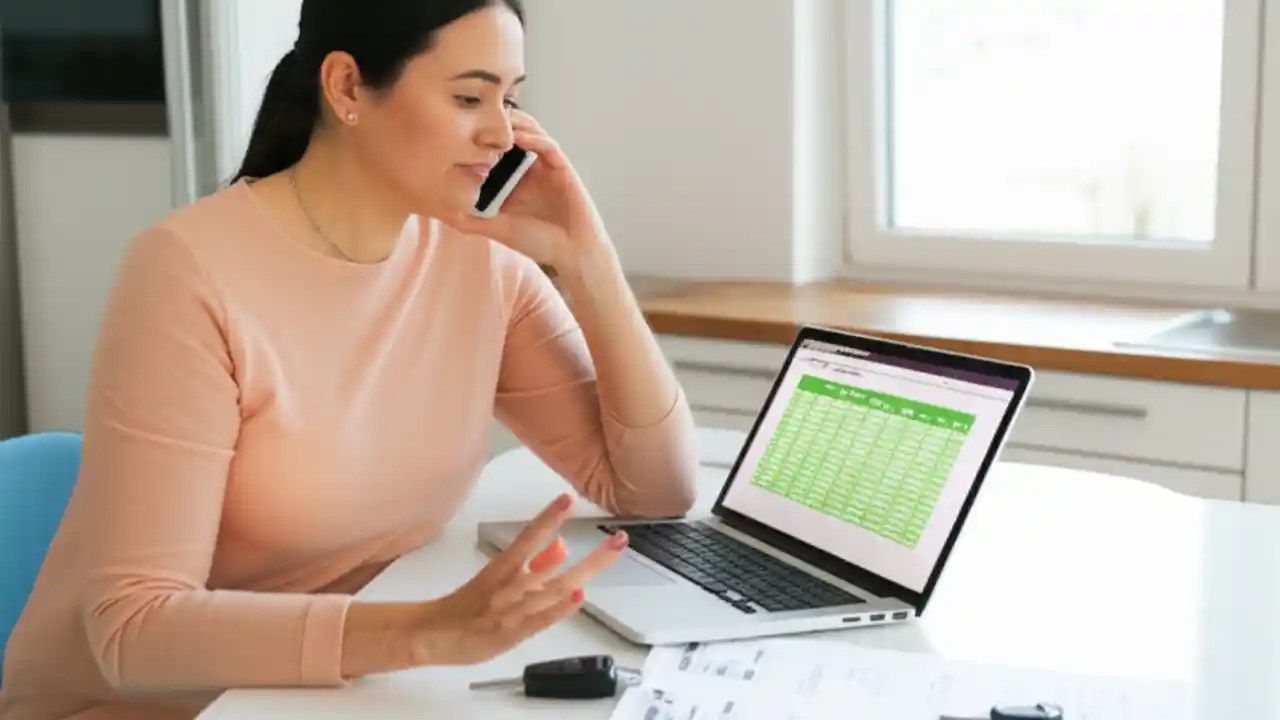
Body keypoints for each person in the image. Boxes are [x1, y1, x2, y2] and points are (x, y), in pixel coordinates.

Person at [0, 1, 698, 717]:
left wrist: (591, 262)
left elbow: (654, 491)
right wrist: (426, 631)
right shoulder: (187, 274)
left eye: (509, 98)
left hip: (320, 694)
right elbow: (132, 631)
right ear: (345, 88)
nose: (502, 132)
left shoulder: (481, 263)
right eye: (467, 97)